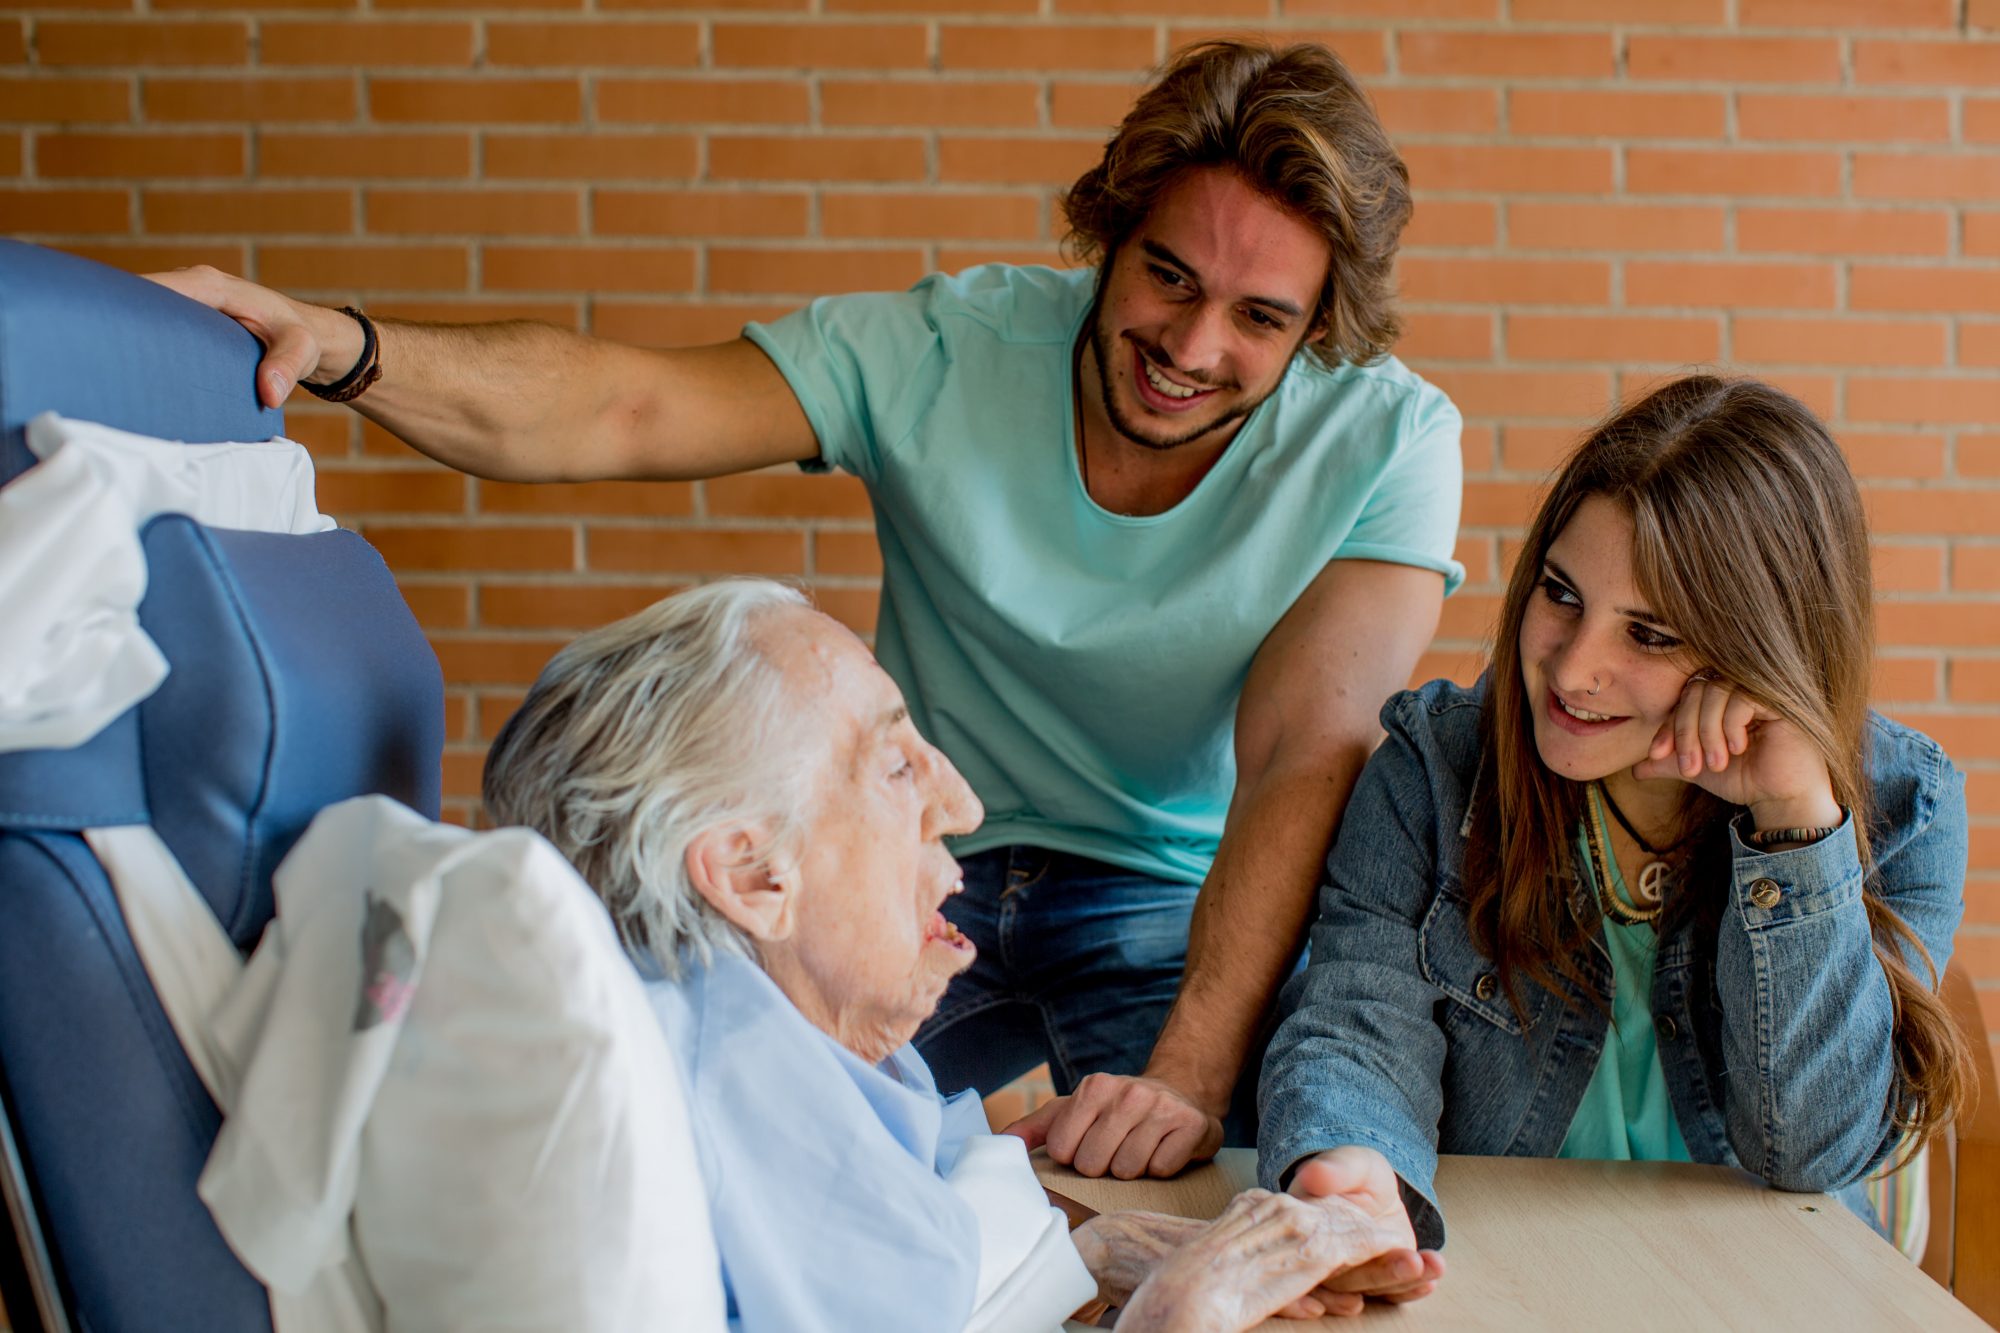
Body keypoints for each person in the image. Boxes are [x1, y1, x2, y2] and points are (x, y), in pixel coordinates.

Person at [151, 36, 1464, 1183]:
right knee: (702, 1147)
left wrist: (1185, 1071)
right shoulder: (947, 350)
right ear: (1106, 236)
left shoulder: (1388, 441)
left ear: (1319, 332)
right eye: (1168, 276)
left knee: (1192, 1184)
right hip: (903, 868)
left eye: (1258, 318)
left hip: (1169, 896)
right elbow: (623, 405)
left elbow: (1308, 751)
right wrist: (337, 344)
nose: (1191, 345)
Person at [477, 577, 1418, 1330]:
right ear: (754, 873)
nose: (963, 809)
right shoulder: (718, 1067)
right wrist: (1179, 1319)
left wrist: (1093, 1254)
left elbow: (920, 1258)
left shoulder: (775, 1023)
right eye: (895, 767)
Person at [1257, 374, 1975, 1263]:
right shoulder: (1435, 769)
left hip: (1764, 1296)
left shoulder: (1909, 806)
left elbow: (1810, 1155)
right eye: (1561, 593)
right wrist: (1352, 1173)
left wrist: (1792, 824)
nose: (1571, 668)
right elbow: (1356, 1026)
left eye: (1650, 633)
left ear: (1763, 648)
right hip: (1493, 1278)